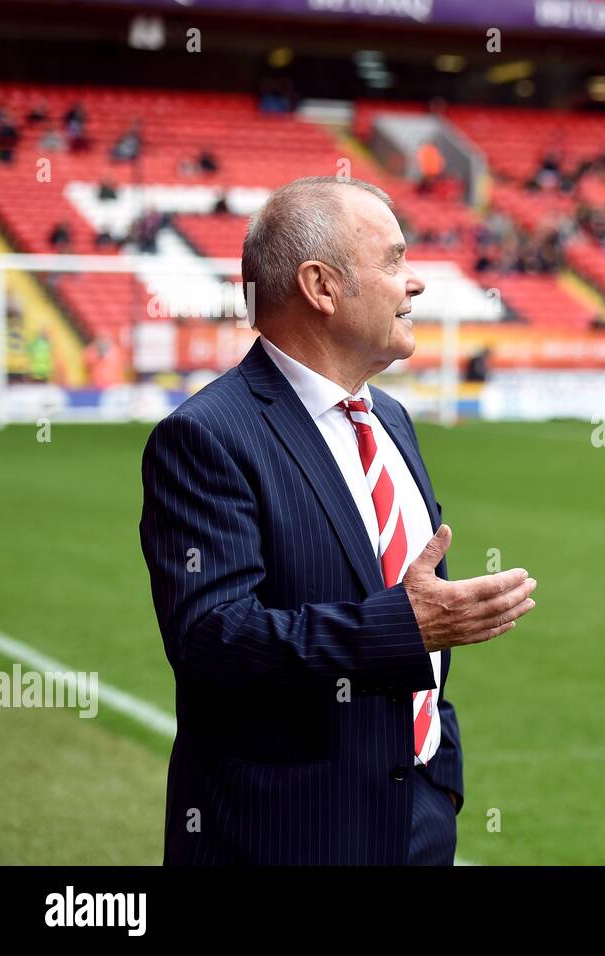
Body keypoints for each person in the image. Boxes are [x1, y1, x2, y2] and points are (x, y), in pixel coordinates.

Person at [139, 176, 538, 865]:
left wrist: (438, 782)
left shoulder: (390, 419)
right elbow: (211, 639)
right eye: (393, 260)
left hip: (417, 823)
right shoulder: (207, 436)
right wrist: (403, 625)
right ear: (321, 286)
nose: (414, 283)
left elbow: (424, 611)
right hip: (285, 838)